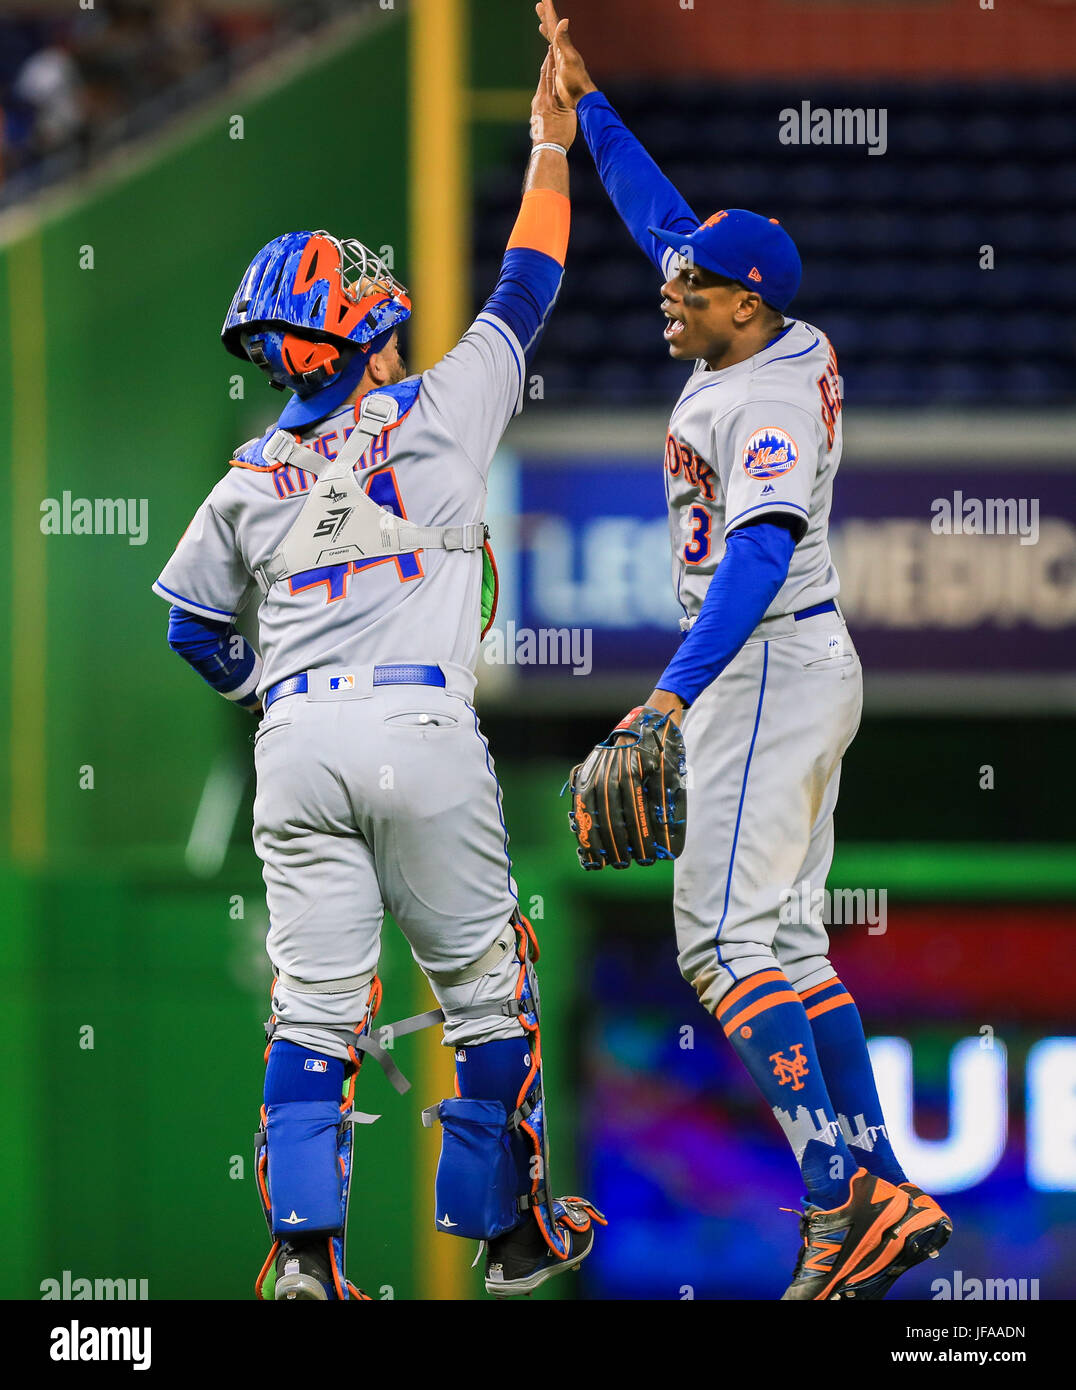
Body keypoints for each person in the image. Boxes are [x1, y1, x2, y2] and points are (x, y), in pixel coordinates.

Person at [152, 49, 602, 1301]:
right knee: (482, 988)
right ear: (363, 325)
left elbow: (192, 626)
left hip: (292, 745)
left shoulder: (245, 477)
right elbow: (530, 276)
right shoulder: (445, 408)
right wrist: (548, 142)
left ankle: (304, 1262)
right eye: (383, 316)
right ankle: (505, 1239)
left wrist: (268, 691)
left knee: (313, 1010)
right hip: (421, 720)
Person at [539, 0, 950, 1300]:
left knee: (721, 952)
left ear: (745, 303)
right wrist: (588, 106)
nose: (671, 289)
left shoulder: (765, 395)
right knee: (789, 948)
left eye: (694, 287)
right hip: (807, 663)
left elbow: (759, 558)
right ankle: (876, 1186)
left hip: (765, 658)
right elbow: (666, 223)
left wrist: (666, 698)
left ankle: (843, 1197)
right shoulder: (758, 325)